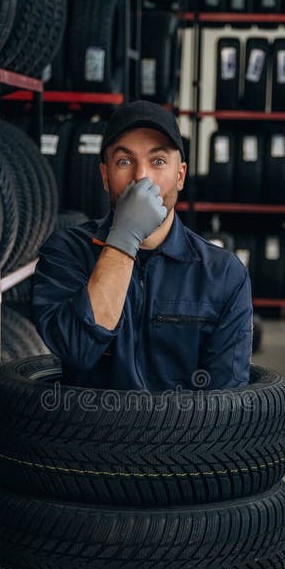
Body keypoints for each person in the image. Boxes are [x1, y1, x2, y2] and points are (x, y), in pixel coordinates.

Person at [33, 100, 253, 392]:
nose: (141, 178)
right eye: (124, 161)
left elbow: (226, 402)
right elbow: (78, 348)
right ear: (104, 176)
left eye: (158, 161)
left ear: (181, 175)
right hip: (90, 434)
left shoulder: (223, 274)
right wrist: (126, 236)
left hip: (182, 437)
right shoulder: (66, 254)